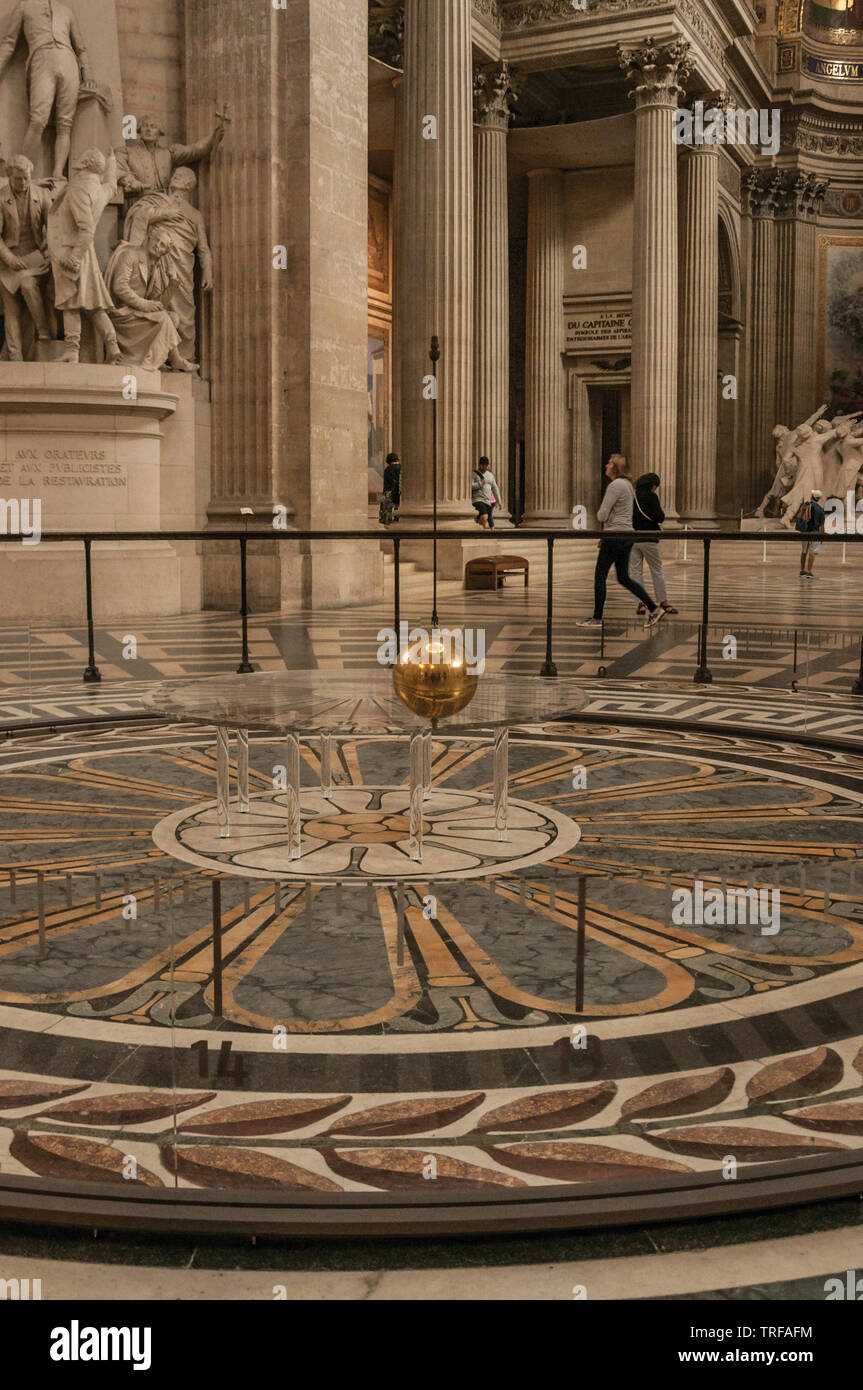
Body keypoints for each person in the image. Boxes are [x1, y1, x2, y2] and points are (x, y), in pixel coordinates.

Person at [123, 167, 213, 362]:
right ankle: (156, 357)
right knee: (154, 305)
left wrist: (208, 272)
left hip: (182, 266)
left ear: (188, 186)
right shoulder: (155, 201)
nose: (174, 177)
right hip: (155, 262)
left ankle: (186, 358)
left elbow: (203, 248)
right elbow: (137, 214)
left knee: (185, 311)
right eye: (174, 174)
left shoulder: (194, 215)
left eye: (180, 176)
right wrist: (163, 214)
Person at [46, 148, 121, 364]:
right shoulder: (100, 188)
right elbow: (112, 185)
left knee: (70, 302)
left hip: (71, 251)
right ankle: (113, 346)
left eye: (81, 157)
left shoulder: (79, 188)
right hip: (84, 253)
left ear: (85, 163)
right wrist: (112, 160)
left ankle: (72, 350)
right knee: (93, 304)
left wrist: (75, 258)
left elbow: (87, 229)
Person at [579, 455, 664, 628]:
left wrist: (603, 517)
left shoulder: (615, 485)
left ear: (616, 468)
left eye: (610, 463)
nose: (606, 465)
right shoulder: (627, 485)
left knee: (600, 576)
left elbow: (602, 514)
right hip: (627, 535)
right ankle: (654, 608)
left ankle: (597, 618)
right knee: (624, 577)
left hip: (614, 535)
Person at [104, 226, 198, 372]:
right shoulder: (130, 255)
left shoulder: (155, 267)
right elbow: (120, 287)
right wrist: (145, 304)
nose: (159, 246)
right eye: (158, 241)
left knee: (172, 318)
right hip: (122, 314)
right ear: (148, 239)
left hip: (137, 314)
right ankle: (172, 360)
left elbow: (158, 304)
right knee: (164, 319)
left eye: (164, 246)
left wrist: (173, 283)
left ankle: (158, 359)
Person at [0, 154, 52, 360]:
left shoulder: (42, 195)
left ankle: (43, 329)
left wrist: (47, 252)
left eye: (26, 178)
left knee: (28, 285)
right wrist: (9, 259)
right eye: (17, 179)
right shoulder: (1, 198)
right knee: (11, 308)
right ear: (9, 176)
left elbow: (54, 229)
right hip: (9, 262)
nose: (22, 183)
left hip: (36, 259)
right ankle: (15, 357)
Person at [630, 472, 678, 615]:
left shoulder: (632, 495)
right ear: (652, 485)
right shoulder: (651, 496)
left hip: (632, 537)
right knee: (657, 570)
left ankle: (640, 604)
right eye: (656, 486)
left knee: (636, 572)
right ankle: (663, 602)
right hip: (649, 538)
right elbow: (659, 517)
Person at [796, 488, 825, 580]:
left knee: (804, 551)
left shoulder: (805, 505)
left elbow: (799, 516)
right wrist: (822, 537)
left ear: (812, 496)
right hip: (815, 533)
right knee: (812, 553)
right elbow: (822, 525)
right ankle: (809, 571)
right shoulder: (820, 510)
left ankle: (802, 570)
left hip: (805, 532)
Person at [471, 457, 502, 528]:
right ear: (480, 465)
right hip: (478, 500)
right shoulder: (474, 474)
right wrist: (480, 483)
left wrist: (499, 501)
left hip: (488, 502)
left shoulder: (490, 475)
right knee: (484, 517)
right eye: (484, 465)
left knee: (484, 521)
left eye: (486, 465)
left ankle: (478, 529)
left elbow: (495, 488)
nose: (485, 467)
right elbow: (470, 486)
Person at [379, 451, 401, 525]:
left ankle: (389, 521)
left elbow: (387, 483)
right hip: (399, 492)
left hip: (389, 493)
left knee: (389, 511)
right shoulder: (401, 467)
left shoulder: (387, 469)